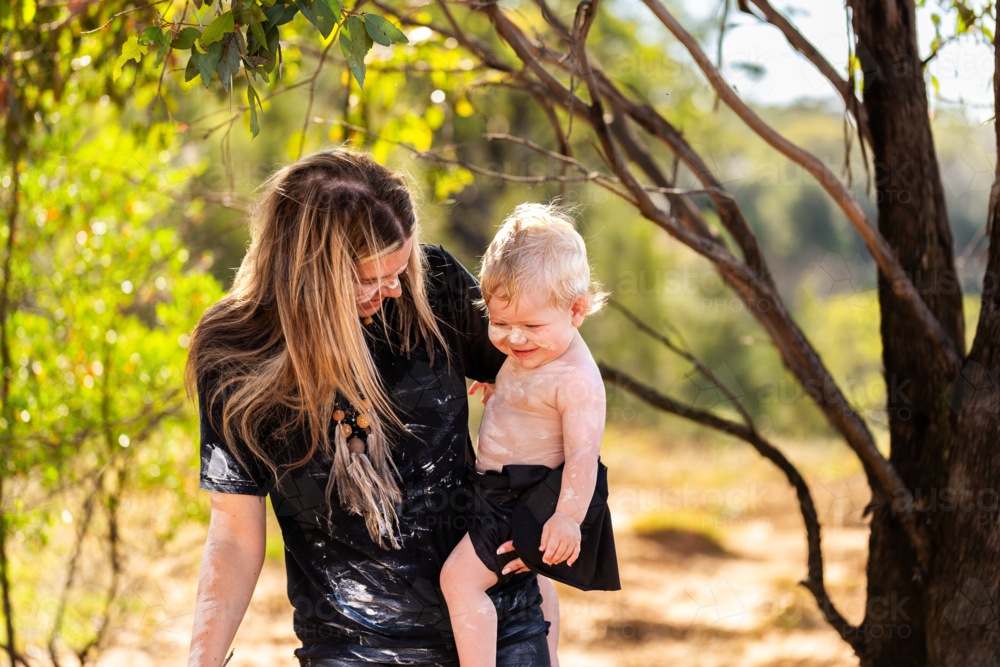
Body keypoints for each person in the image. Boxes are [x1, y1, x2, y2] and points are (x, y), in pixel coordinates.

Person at [183, 148, 560, 667]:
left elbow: (555, 379)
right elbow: (233, 534)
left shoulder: (437, 287)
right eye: (370, 278)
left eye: (400, 268)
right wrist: (201, 661)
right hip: (348, 649)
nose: (396, 288)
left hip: (496, 630)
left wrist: (548, 504)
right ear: (309, 274)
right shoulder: (234, 353)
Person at [440, 203, 620, 667]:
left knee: (459, 582)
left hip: (517, 499)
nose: (515, 339)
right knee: (536, 584)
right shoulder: (534, 354)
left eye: (531, 327)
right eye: (500, 324)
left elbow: (583, 456)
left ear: (577, 310)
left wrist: (566, 520)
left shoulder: (576, 379)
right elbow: (527, 387)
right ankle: (549, 657)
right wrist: (502, 384)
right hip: (503, 493)